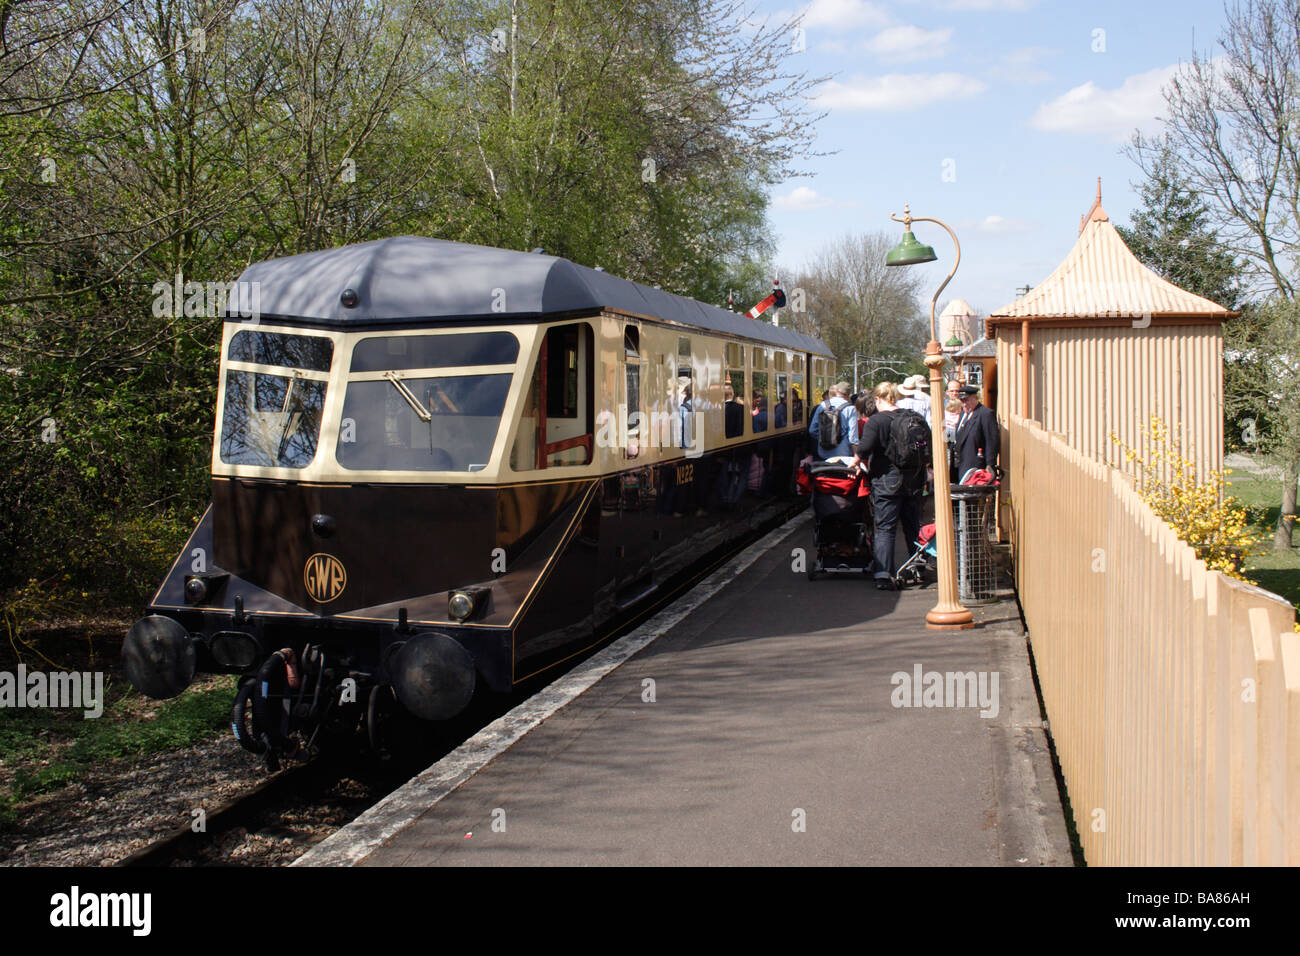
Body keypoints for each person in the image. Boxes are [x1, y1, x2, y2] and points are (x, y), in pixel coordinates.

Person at [854, 381, 923, 590]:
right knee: (913, 526)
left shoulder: (876, 421)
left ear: (877, 399)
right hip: (914, 479)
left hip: (886, 480)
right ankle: (917, 567)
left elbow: (864, 449)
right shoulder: (913, 418)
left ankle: (884, 574)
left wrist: (855, 461)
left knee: (885, 528)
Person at [951, 384, 999, 484]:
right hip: (960, 464)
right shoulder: (963, 414)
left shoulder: (985, 414)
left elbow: (991, 441)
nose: (964, 404)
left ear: (975, 398)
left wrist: (990, 465)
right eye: (962, 401)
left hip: (974, 465)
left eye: (967, 400)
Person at [807, 382, 857, 461]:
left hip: (823, 453)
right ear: (848, 394)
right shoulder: (851, 408)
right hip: (843, 455)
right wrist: (856, 457)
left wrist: (825, 437)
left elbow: (812, 430)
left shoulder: (822, 405)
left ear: (836, 391)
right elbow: (853, 438)